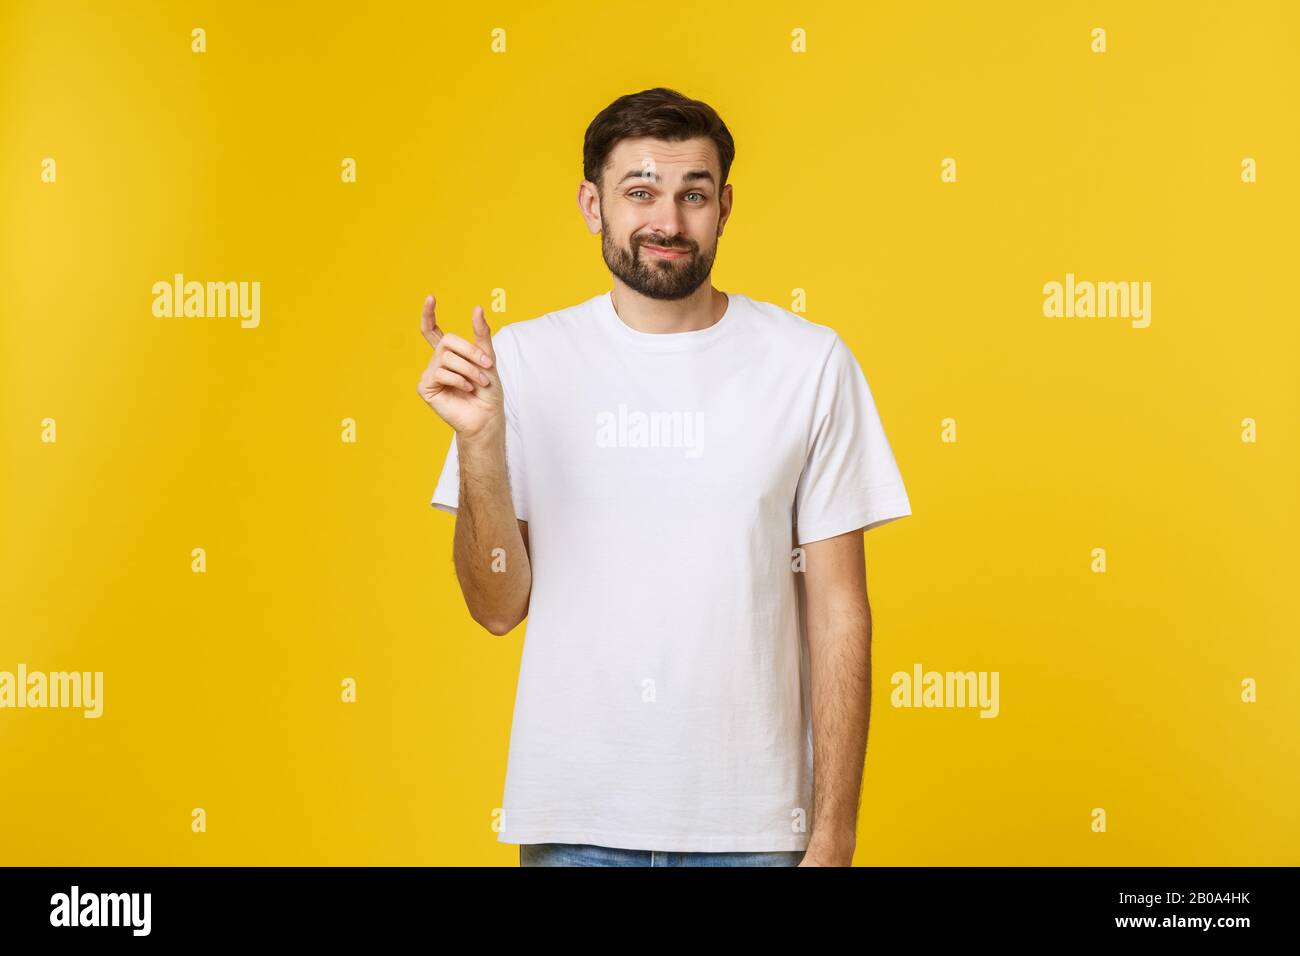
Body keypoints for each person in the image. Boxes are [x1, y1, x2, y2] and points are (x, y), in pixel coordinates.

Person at [417, 87, 912, 867]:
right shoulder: (521, 366)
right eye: (640, 192)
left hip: (755, 833)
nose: (669, 223)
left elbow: (839, 612)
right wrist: (481, 445)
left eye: (694, 195)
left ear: (725, 207)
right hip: (574, 824)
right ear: (592, 204)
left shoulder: (809, 364)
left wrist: (834, 832)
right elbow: (496, 607)